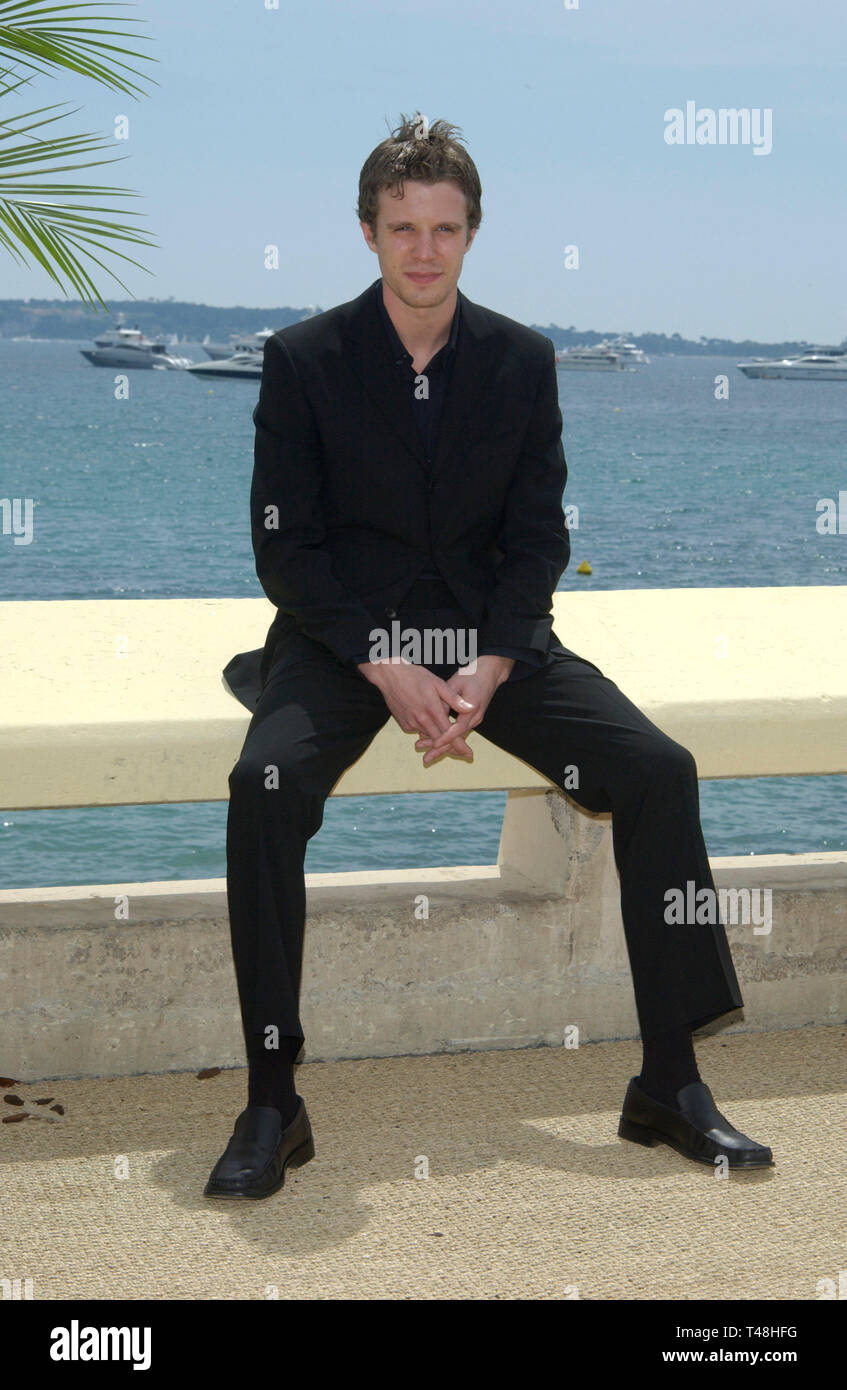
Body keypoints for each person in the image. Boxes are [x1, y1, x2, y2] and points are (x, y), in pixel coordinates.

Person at [204, 112, 773, 1200]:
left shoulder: (522, 360)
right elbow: (286, 544)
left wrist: (492, 665)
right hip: (343, 644)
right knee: (259, 785)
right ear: (367, 232)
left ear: (472, 235)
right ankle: (273, 1099)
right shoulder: (304, 360)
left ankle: (669, 1080)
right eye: (402, 227)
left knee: (658, 770)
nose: (424, 250)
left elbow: (537, 535)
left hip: (490, 645)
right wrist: (385, 661)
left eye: (445, 228)